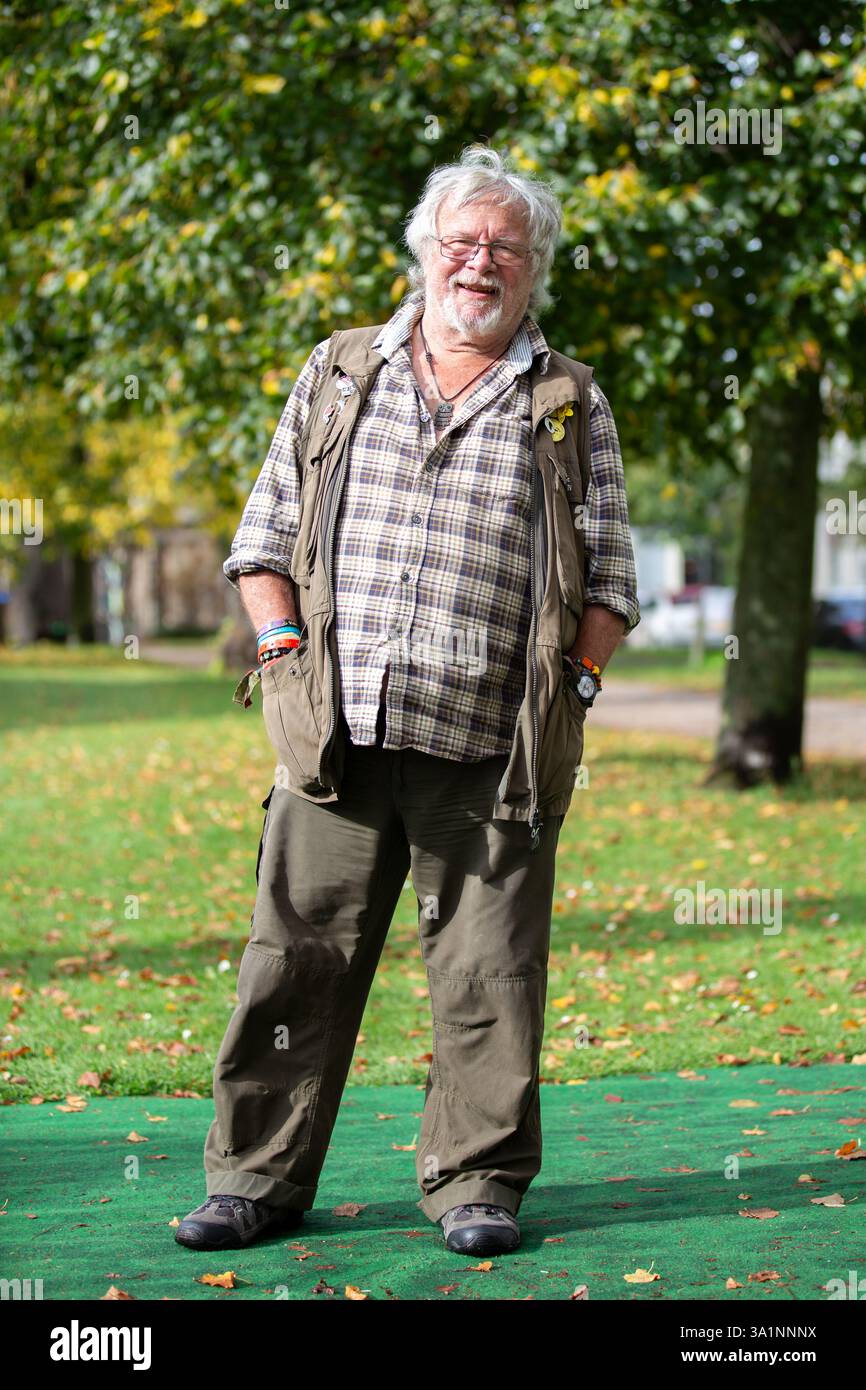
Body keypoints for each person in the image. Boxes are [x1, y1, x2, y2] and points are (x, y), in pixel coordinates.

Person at [175, 143, 639, 1259]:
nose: (478, 263)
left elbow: (611, 579)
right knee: (292, 963)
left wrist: (568, 690)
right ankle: (253, 1180)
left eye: (504, 250)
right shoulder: (340, 369)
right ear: (425, 253)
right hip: (333, 738)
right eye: (460, 242)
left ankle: (476, 1182)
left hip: (492, 750)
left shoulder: (566, 401)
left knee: (487, 975)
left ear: (532, 274)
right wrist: (283, 654)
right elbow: (261, 538)